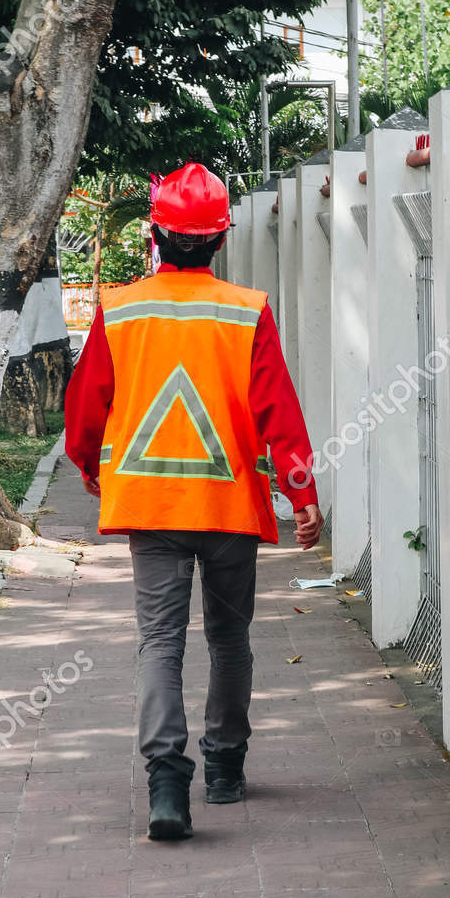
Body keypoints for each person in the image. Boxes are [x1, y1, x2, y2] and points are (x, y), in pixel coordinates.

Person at [65, 163, 323, 843]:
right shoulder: (245, 311)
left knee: (158, 642)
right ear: (218, 239)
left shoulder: (119, 310)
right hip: (229, 508)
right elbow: (279, 411)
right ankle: (226, 769)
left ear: (155, 233)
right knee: (229, 638)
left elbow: (86, 407)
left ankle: (165, 782)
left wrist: (90, 465)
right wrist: (301, 492)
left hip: (151, 509)